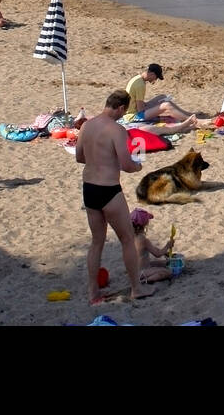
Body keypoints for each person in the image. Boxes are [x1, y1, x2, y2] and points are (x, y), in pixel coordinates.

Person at [75, 91, 153, 304]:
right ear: (120, 108)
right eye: (123, 112)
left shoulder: (86, 126)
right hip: (108, 189)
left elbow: (79, 156)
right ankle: (136, 289)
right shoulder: (116, 129)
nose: (122, 115)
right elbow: (127, 165)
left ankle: (93, 293)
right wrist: (137, 166)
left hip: (89, 188)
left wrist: (100, 160)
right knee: (127, 239)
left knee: (96, 242)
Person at [126, 64, 204, 126]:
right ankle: (190, 119)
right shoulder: (140, 85)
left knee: (163, 97)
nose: (155, 80)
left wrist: (153, 106)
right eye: (156, 78)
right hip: (134, 116)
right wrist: (156, 108)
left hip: (133, 109)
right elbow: (140, 110)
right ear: (152, 74)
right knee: (166, 105)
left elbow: (137, 102)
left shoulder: (138, 79)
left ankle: (188, 114)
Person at [130, 208, 176, 284]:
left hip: (133, 271)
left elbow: (153, 249)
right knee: (167, 272)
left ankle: (146, 277)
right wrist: (168, 246)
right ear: (145, 224)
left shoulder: (131, 237)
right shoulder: (143, 240)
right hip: (141, 272)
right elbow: (157, 254)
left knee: (165, 263)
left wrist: (165, 252)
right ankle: (146, 280)